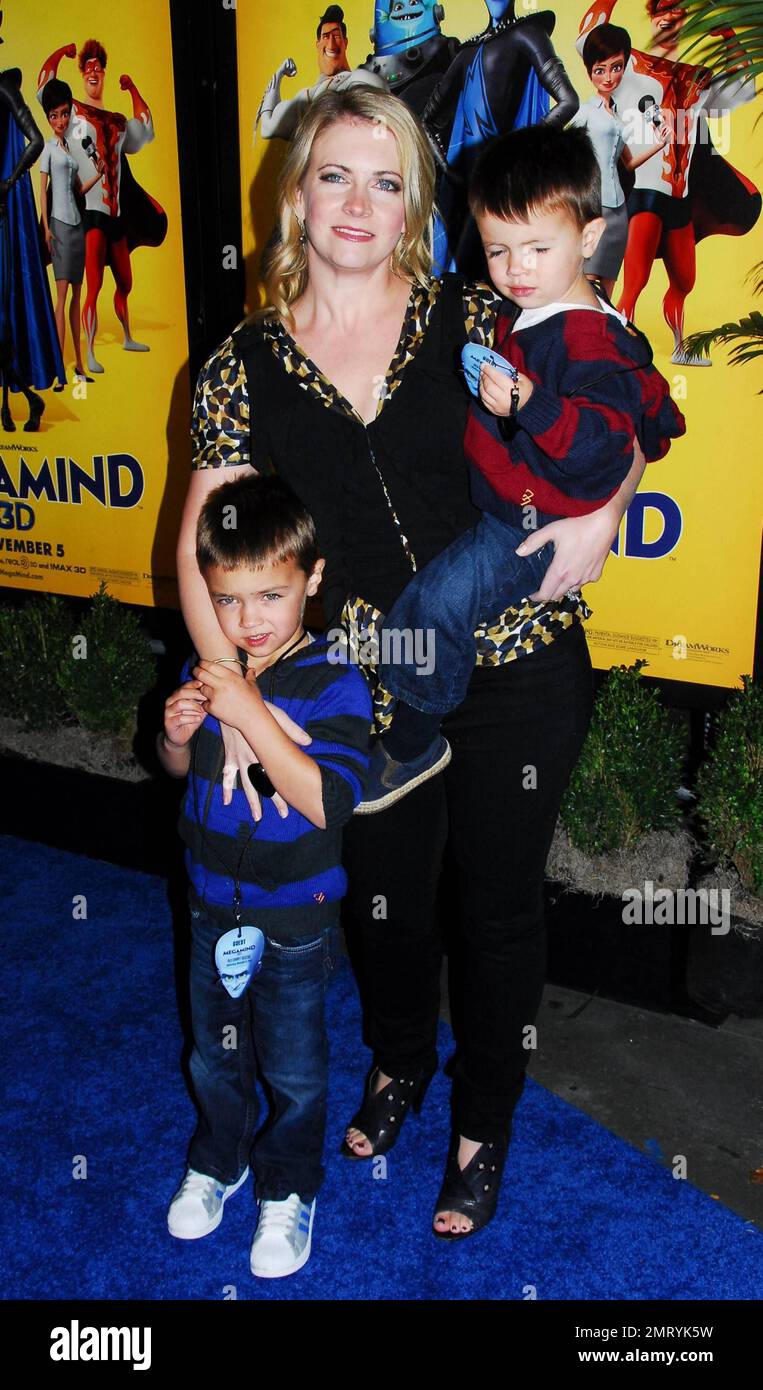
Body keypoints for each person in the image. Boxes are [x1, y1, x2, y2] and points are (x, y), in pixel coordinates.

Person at [178, 84, 648, 1241]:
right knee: (384, 913)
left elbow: (617, 401)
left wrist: (609, 508)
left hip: (520, 665)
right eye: (335, 172)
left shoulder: (476, 315)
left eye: (387, 180)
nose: (358, 200)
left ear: (415, 210)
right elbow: (201, 549)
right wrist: (234, 699)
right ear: (296, 191)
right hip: (361, 691)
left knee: (494, 912)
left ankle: (482, 1125)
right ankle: (399, 1063)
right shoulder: (241, 363)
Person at [359, 123, 685, 811]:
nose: (516, 268)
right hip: (510, 506)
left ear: (588, 238)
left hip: (528, 525)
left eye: (538, 248)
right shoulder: (543, 310)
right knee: (430, 603)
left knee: (433, 607)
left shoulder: (585, 337)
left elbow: (605, 444)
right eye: (499, 248)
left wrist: (531, 405)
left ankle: (413, 739)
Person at [160, 473, 372, 1278]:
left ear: (312, 581)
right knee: (212, 1056)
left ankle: (288, 1186)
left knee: (292, 1067)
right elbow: (175, 768)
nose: (247, 621)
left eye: (269, 595)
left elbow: (328, 803)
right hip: (212, 903)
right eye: (225, 600)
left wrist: (250, 712)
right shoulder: (209, 667)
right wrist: (180, 733)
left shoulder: (334, 682)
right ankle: (219, 1161)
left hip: (295, 919)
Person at [569, 22, 672, 296]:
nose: (608, 77)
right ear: (590, 71)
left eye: (616, 67)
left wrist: (659, 144)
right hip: (592, 208)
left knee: (609, 293)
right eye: (600, 70)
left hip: (618, 212)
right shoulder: (584, 112)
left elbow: (627, 163)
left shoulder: (616, 114)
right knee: (587, 288)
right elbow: (561, 152)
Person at [39, 78, 104, 387]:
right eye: (54, 115)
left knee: (76, 299)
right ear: (48, 118)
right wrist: (47, 229)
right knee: (61, 299)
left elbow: (79, 190)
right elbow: (43, 194)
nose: (60, 120)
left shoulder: (68, 149)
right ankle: (58, 369)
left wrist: (99, 173)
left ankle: (78, 365)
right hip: (60, 227)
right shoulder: (49, 150)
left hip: (76, 227)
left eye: (64, 113)